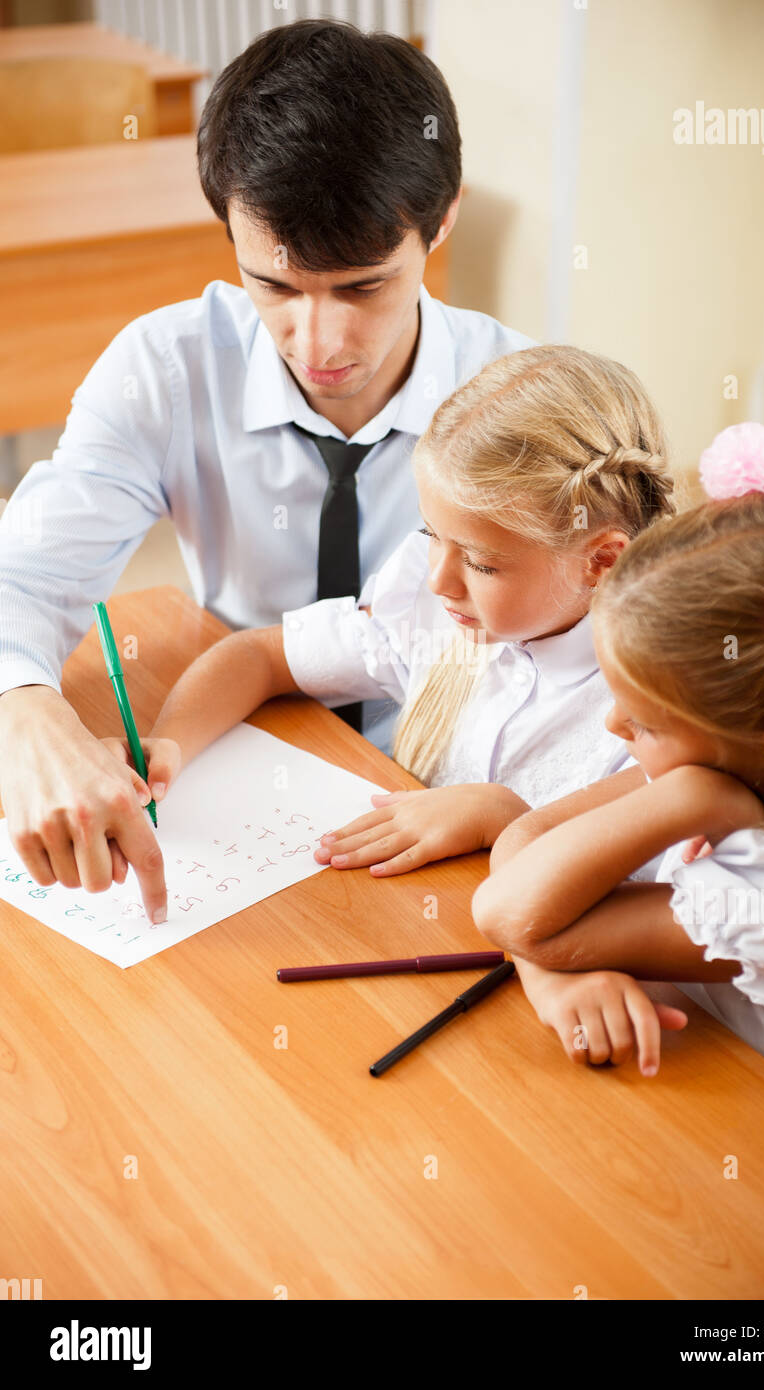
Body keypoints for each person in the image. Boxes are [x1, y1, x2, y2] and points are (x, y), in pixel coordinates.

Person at [0, 20, 534, 925]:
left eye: (362, 287)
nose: (317, 345)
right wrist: (24, 720)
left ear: (441, 223)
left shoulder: (524, 398)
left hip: (457, 803)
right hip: (233, 765)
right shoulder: (168, 366)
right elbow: (24, 576)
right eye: (276, 287)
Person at [102, 345, 675, 910]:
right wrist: (168, 743)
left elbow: (654, 910)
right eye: (432, 536)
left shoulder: (661, 713)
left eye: (481, 563)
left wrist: (505, 819)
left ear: (602, 561)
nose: (438, 581)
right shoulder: (434, 613)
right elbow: (257, 658)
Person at [473, 424, 764, 1135]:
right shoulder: (752, 740)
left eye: (643, 725)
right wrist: (555, 983)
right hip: (697, 1078)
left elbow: (512, 912)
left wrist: (691, 797)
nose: (613, 728)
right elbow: (525, 836)